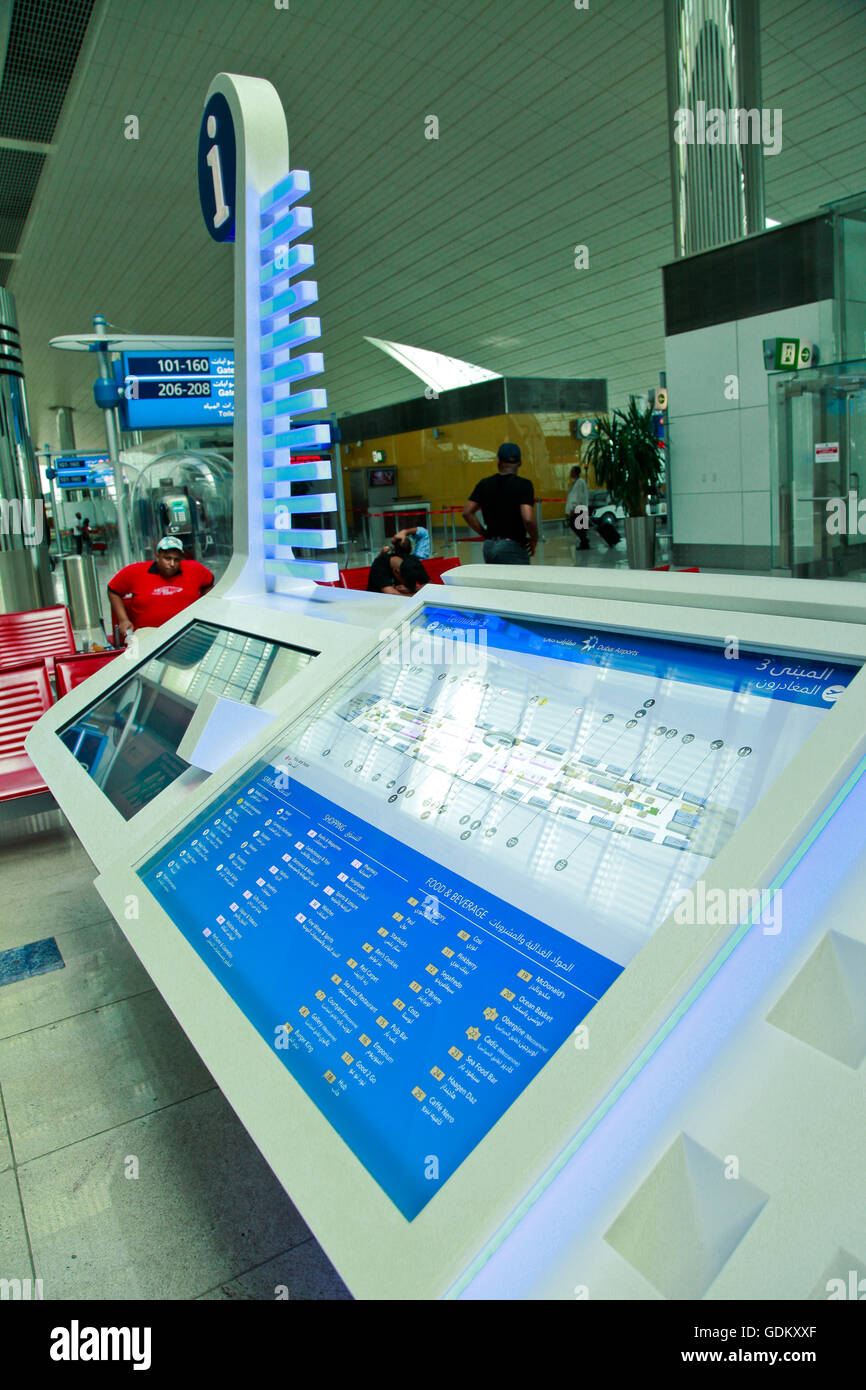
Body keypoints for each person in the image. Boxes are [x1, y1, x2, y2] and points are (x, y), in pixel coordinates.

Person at [107, 536, 214, 639]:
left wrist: (203, 611)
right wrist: (123, 619)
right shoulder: (135, 571)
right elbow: (113, 590)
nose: (172, 564)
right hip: (148, 632)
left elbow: (209, 585)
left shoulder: (194, 569)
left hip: (186, 630)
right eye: (168, 558)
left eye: (176, 560)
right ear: (157, 557)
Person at [462, 442, 537, 564]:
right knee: (516, 582)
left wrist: (485, 534)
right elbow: (528, 518)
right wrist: (534, 538)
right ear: (520, 463)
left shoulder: (484, 484)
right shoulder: (524, 485)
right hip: (513, 546)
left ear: (499, 462)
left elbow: (467, 512)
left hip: (489, 546)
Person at [566, 465, 590, 550]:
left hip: (579, 508)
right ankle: (584, 542)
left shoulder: (580, 482)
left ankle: (585, 542)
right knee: (579, 526)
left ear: (576, 473)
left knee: (575, 525)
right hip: (579, 508)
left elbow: (579, 496)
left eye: (572, 471)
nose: (570, 473)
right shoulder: (576, 482)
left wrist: (574, 508)